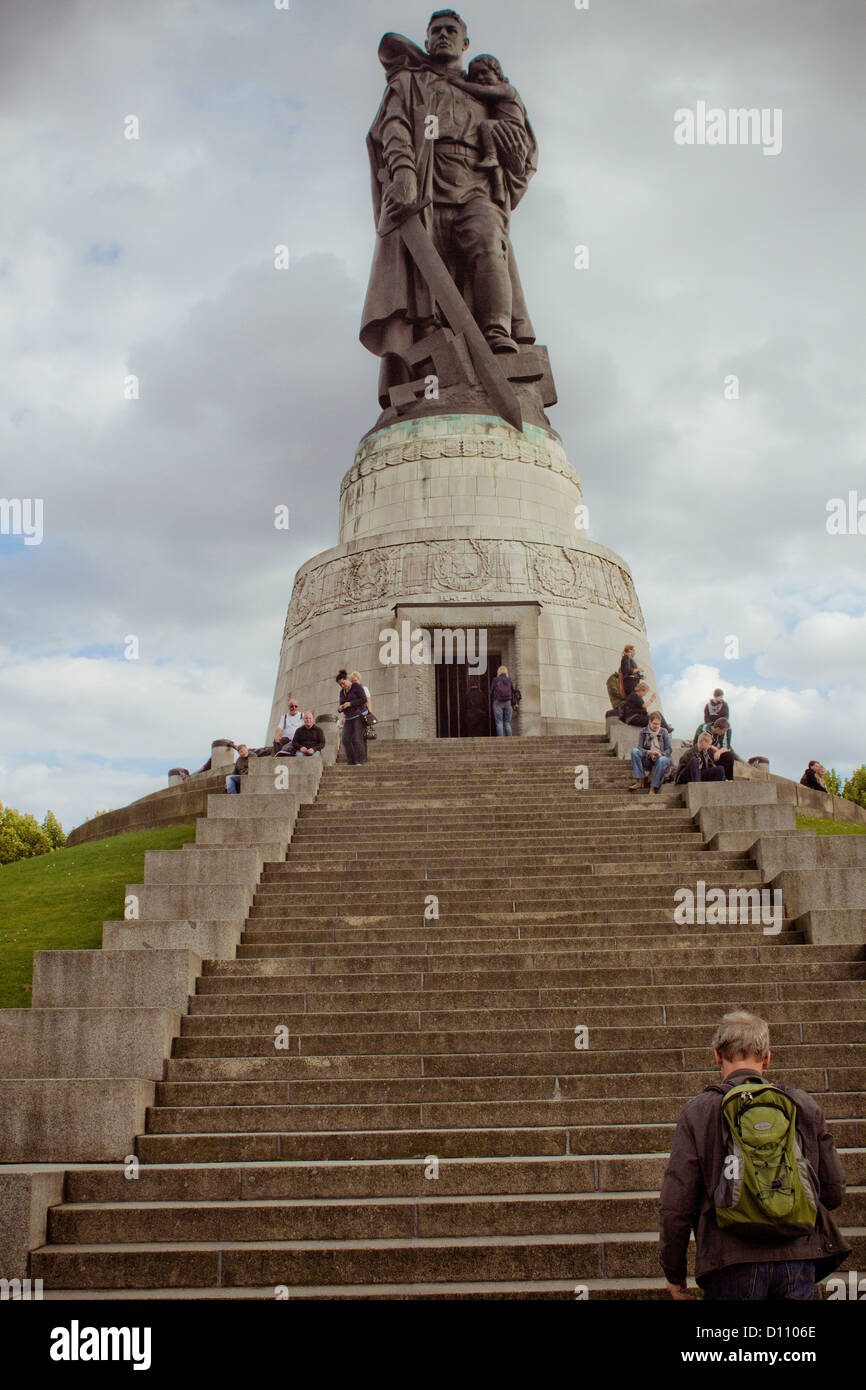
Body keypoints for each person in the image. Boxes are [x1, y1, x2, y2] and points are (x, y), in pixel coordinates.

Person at [361, 11, 539, 406]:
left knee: (489, 240)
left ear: (465, 43)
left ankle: (496, 333)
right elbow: (393, 129)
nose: (442, 37)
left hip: (476, 185)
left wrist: (514, 158)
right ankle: (432, 369)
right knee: (427, 287)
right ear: (427, 42)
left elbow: (521, 153)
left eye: (450, 32)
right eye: (435, 32)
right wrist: (403, 172)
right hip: (425, 186)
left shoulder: (487, 92)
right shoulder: (409, 83)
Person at [659, 1010, 849, 1301]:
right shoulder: (802, 1106)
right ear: (767, 1058)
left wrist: (674, 1271)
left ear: (717, 1056)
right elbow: (833, 1191)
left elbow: (676, 1205)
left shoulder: (698, 1112)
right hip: (796, 1259)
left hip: (729, 1261)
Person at [628, 713, 673, 795]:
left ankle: (653, 787)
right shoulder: (643, 732)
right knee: (635, 751)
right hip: (648, 758)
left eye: (658, 724)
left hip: (661, 757)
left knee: (662, 760)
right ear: (649, 722)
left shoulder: (664, 731)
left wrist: (660, 754)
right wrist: (648, 752)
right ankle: (640, 781)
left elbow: (669, 749)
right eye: (654, 724)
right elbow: (640, 748)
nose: (656, 726)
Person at [336, 672, 369, 766]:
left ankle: (360, 760)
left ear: (347, 679)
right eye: (340, 684)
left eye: (343, 683)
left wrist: (350, 703)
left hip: (359, 715)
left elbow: (364, 699)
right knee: (345, 739)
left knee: (357, 738)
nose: (342, 686)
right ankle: (351, 761)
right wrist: (340, 708)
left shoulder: (356, 686)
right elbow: (341, 703)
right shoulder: (342, 692)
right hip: (349, 717)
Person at [490, 665, 514, 736]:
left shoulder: (495, 679)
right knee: (507, 722)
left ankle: (501, 739)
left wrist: (493, 699)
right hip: (508, 702)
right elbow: (512, 690)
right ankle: (510, 739)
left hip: (497, 702)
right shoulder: (509, 679)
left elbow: (491, 691)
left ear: (498, 672)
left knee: (499, 722)